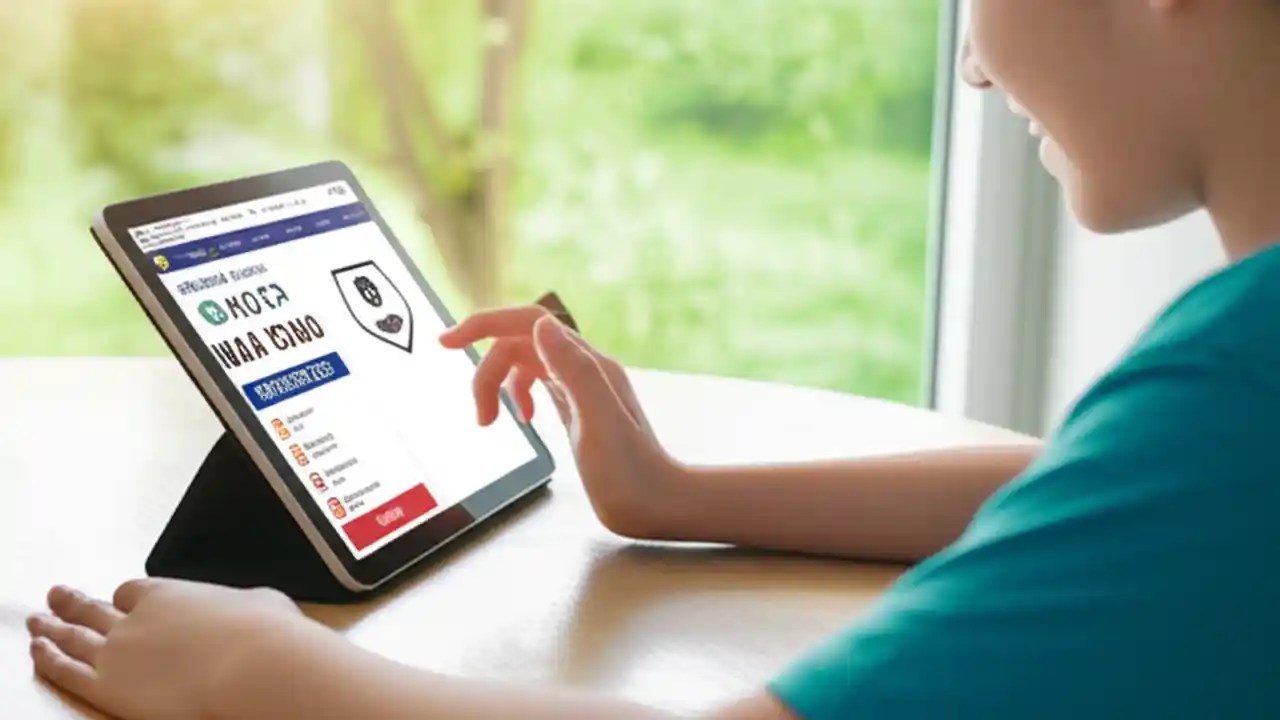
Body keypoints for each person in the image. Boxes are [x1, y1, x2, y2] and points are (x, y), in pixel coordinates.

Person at [26, 0, 1280, 717]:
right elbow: (1104, 494)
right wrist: (677, 493)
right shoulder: (1229, 406)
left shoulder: (1242, 388)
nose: (966, 59)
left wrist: (266, 676)